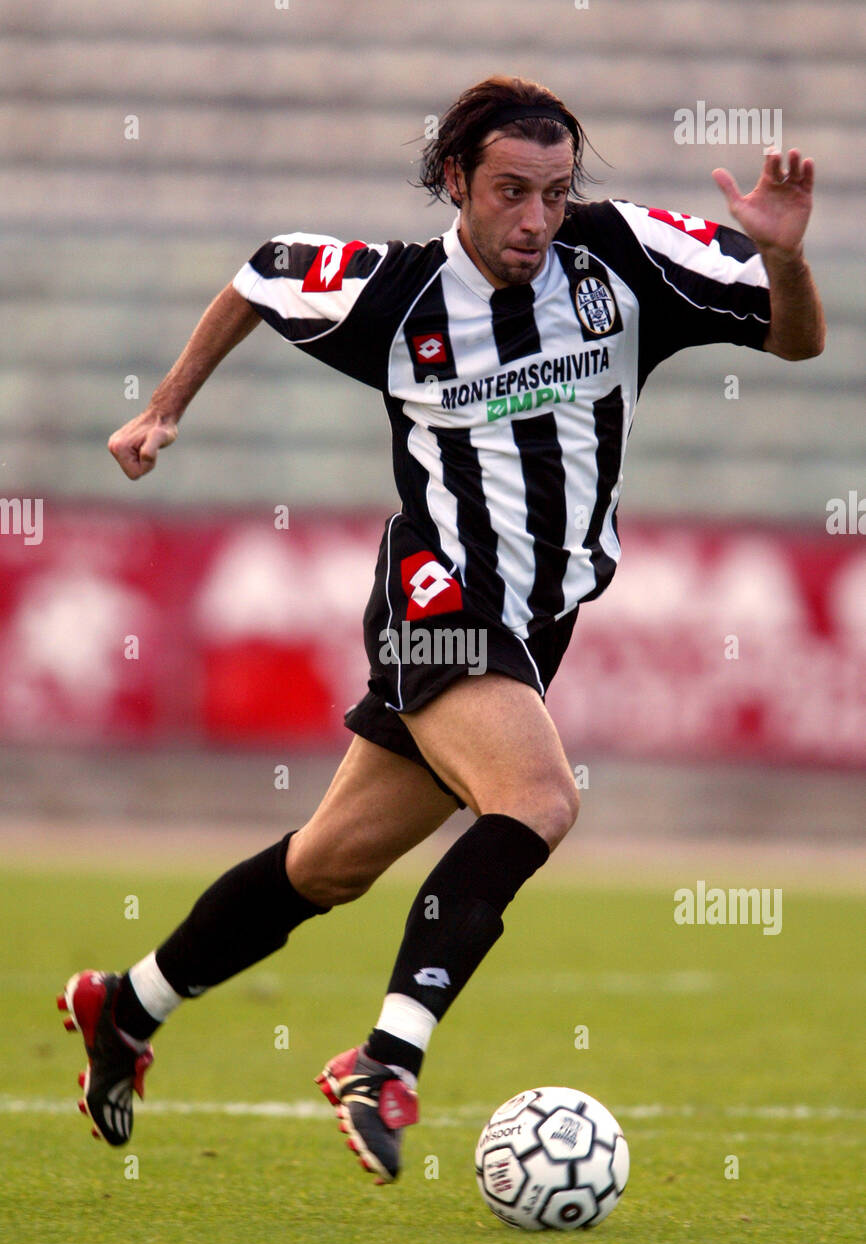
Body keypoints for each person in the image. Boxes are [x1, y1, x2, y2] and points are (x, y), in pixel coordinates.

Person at [58, 75, 824, 1183]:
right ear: (456, 180)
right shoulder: (395, 295)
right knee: (539, 800)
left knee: (328, 865)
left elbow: (795, 343)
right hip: (436, 595)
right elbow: (262, 272)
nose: (536, 219)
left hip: (537, 622)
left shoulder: (624, 256)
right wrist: (164, 405)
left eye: (555, 193)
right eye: (511, 191)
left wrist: (785, 259)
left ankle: (124, 1006)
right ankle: (383, 1061)